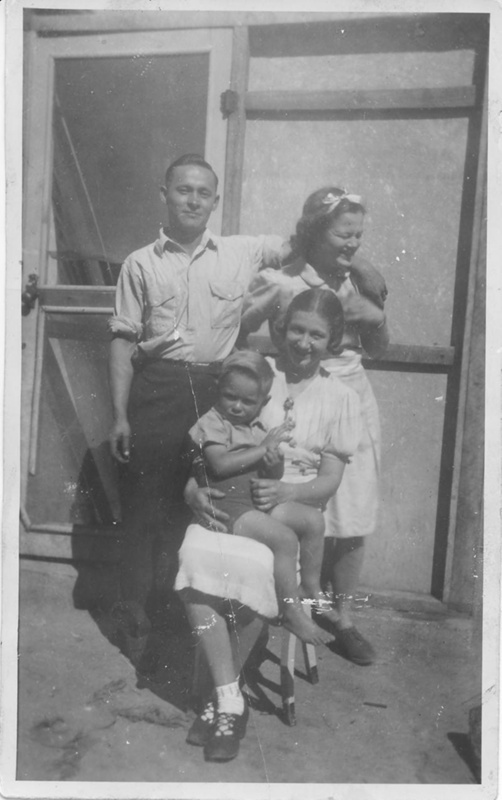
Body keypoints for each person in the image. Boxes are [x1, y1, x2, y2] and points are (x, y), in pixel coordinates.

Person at [107, 153, 286, 655]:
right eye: (182, 190)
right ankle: (137, 610)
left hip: (216, 391)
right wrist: (121, 414)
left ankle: (190, 610)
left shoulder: (240, 253)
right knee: (148, 502)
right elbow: (122, 341)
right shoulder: (140, 263)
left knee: (210, 500)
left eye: (202, 192)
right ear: (164, 195)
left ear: (215, 202)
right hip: (159, 388)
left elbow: (300, 245)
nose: (192, 199)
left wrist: (356, 259)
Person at [176, 288, 362, 761]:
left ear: (332, 340)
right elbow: (206, 453)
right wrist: (192, 493)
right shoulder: (256, 374)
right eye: (295, 329)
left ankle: (223, 699)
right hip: (229, 504)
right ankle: (228, 695)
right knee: (192, 562)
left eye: (316, 334)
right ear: (281, 329)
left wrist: (287, 493)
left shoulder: (340, 396)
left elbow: (328, 482)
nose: (302, 342)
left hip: (282, 508)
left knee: (262, 564)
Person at [237, 187, 389, 666]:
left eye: (358, 236)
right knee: (286, 500)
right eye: (344, 235)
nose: (352, 245)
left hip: (349, 397)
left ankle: (342, 621)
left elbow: (380, 347)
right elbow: (237, 326)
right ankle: (280, 606)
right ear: (314, 231)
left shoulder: (361, 281)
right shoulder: (283, 281)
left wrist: (377, 315)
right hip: (294, 393)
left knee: (353, 516)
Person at [186, 349, 341, 646]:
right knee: (284, 539)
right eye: (230, 397)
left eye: (248, 401)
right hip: (226, 505)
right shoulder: (213, 422)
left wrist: (273, 462)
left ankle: (310, 587)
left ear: (263, 402)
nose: (237, 407)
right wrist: (264, 447)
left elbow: (274, 476)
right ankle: (290, 612)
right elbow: (219, 464)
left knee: (312, 520)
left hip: (253, 501)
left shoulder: (257, 428)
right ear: (219, 391)